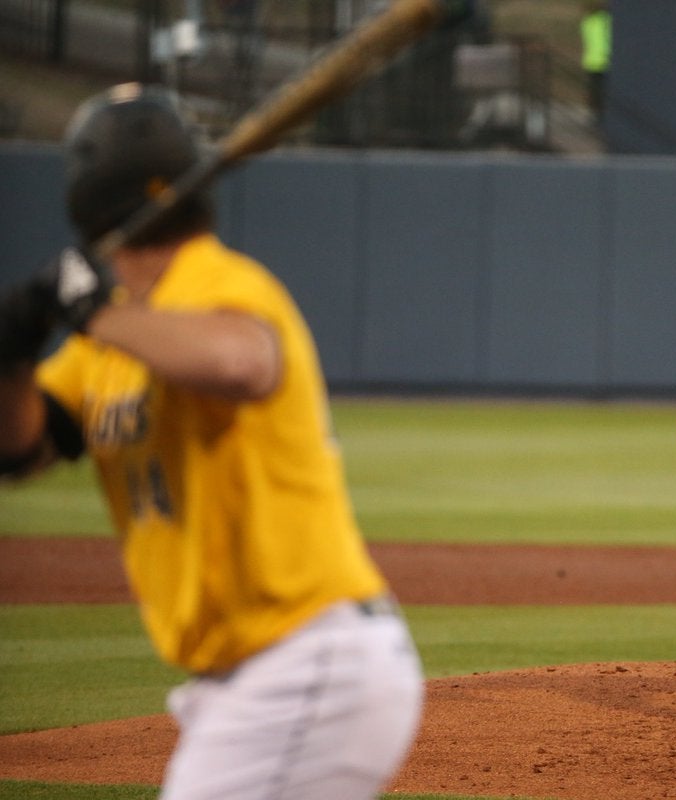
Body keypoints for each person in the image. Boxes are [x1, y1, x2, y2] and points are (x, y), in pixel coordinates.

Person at [0, 83, 424, 799]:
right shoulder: (114, 335)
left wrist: (87, 308)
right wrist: (12, 354)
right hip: (249, 682)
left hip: (304, 661)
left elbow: (241, 362)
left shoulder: (222, 285)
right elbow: (20, 451)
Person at [579, 0, 611, 122]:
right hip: (605, 62)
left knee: (594, 92)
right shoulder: (607, 21)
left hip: (591, 62)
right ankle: (603, 116)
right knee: (605, 92)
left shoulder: (587, 21)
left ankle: (595, 115)